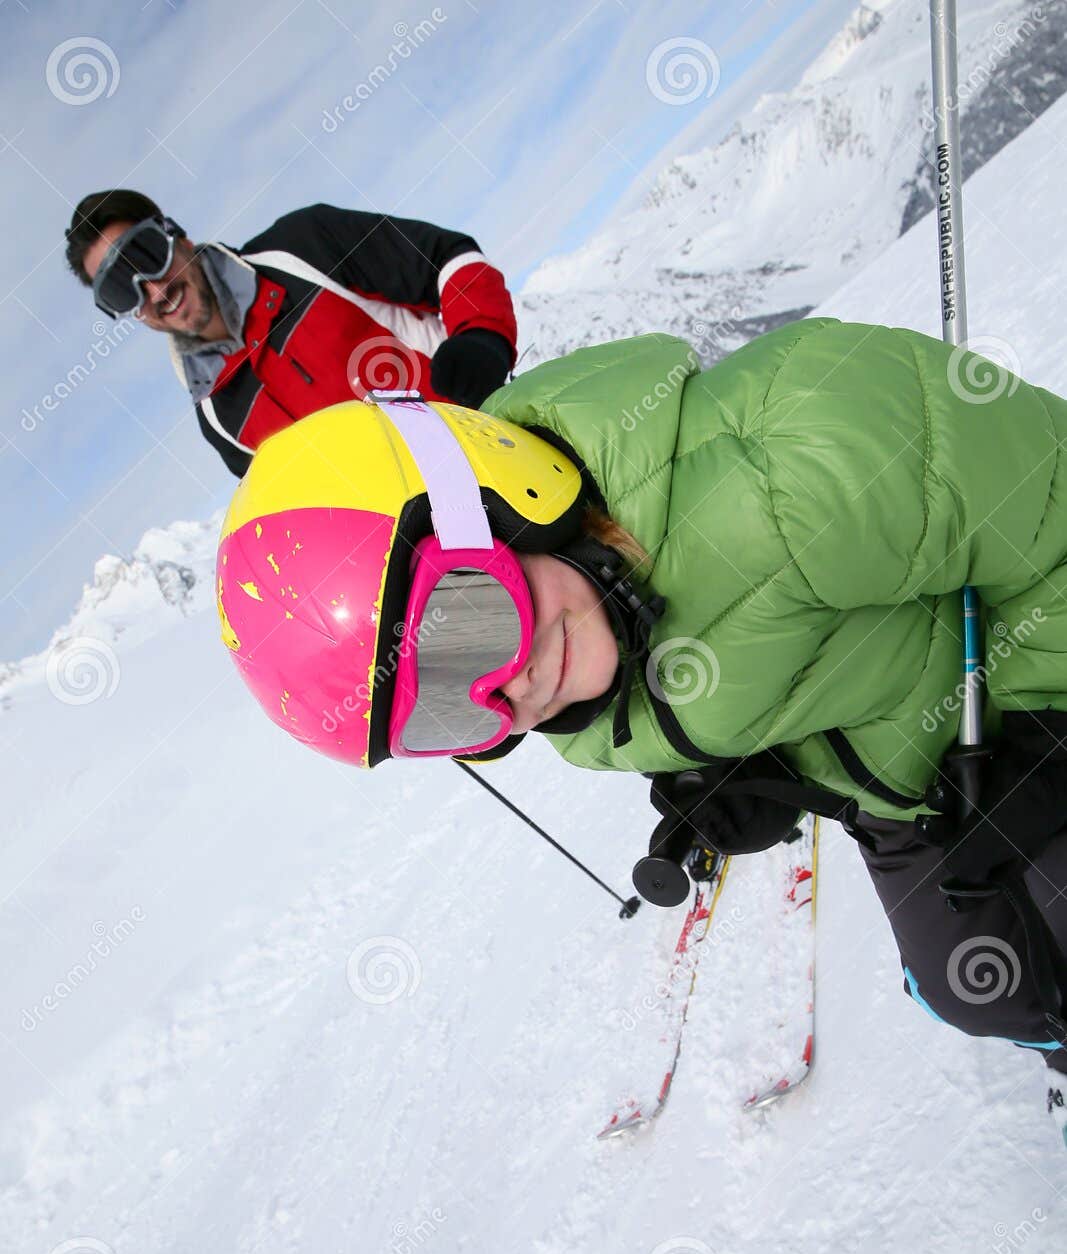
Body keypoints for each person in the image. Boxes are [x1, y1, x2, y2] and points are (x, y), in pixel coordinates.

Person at [214, 316, 1067, 1130]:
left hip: (1028, 706)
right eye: (439, 709)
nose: (503, 691)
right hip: (929, 774)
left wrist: (1041, 735)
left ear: (500, 497)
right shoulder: (580, 694)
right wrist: (772, 771)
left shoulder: (800, 455)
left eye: (468, 624)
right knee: (980, 988)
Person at [64, 189, 517, 477]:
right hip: (445, 548)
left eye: (146, 256)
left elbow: (448, 259)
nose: (155, 291)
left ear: (175, 236)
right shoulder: (221, 421)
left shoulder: (301, 247)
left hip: (499, 442)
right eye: (123, 291)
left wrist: (481, 337)